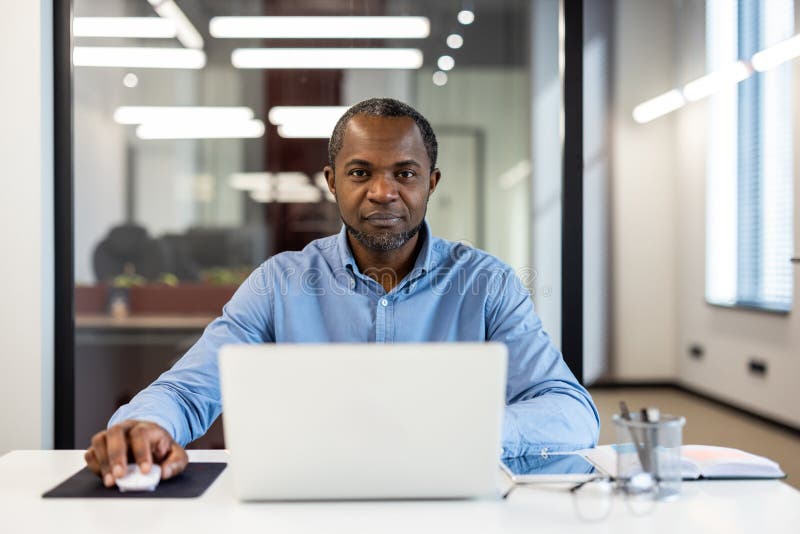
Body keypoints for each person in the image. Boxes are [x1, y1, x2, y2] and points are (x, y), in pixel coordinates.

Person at [85, 97, 599, 487]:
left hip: (449, 500)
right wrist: (144, 425)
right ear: (332, 181)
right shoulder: (278, 284)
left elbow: (572, 415)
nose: (382, 191)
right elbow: (187, 388)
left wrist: (454, 427)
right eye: (360, 172)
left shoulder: (487, 284)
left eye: (405, 173)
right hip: (306, 499)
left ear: (431, 183)